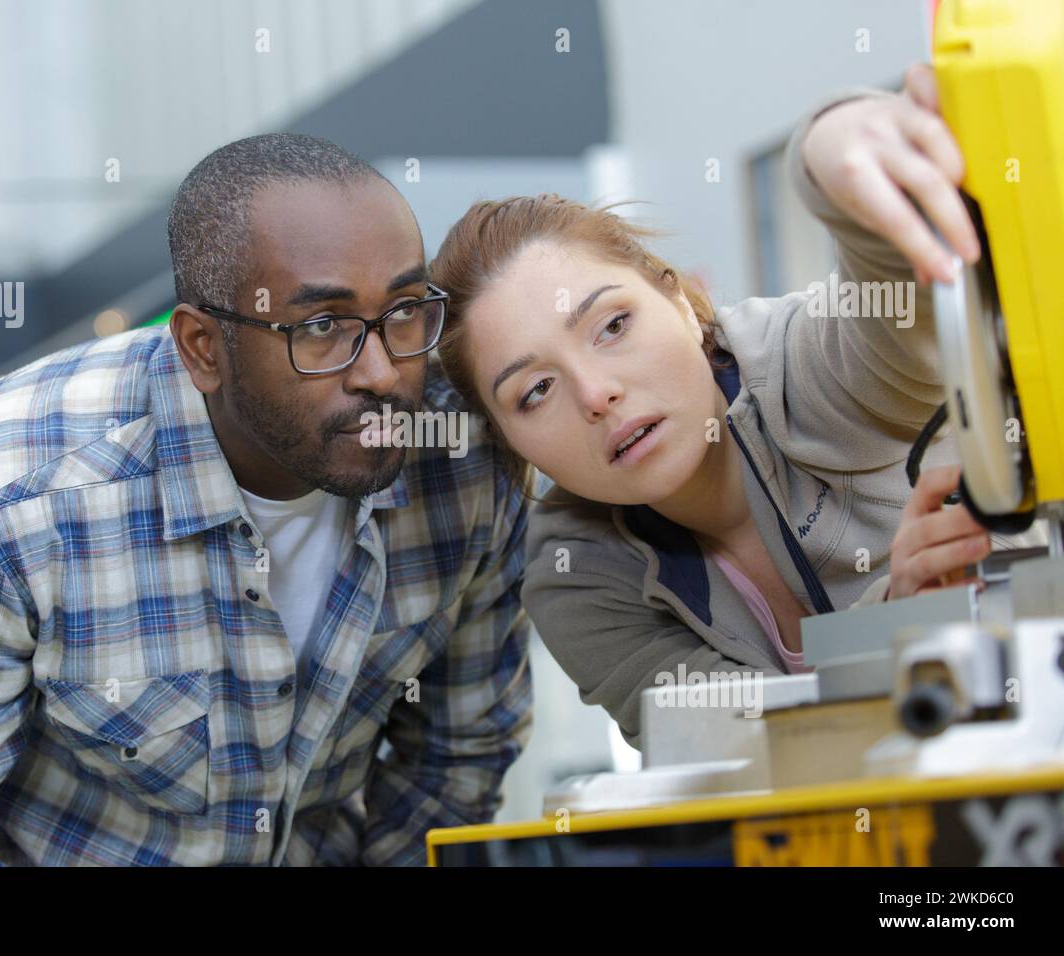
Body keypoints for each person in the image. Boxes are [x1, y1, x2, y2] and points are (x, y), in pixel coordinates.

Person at [0, 134, 532, 865]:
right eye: (323, 327)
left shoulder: (465, 462)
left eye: (407, 311)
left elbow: (458, 759)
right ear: (202, 347)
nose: (385, 373)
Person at [429, 65, 1043, 748]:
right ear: (514, 442)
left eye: (612, 326)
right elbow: (740, 750)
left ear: (680, 302)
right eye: (534, 392)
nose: (595, 393)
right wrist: (894, 624)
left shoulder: (804, 367)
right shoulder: (577, 578)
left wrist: (826, 148)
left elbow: (902, 313)